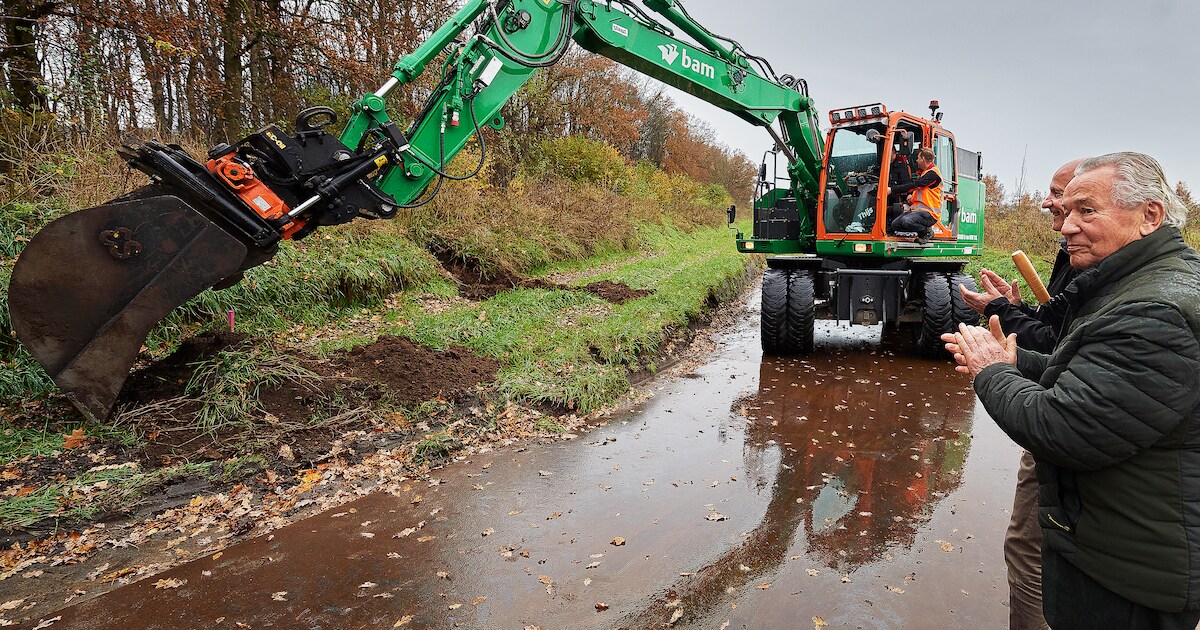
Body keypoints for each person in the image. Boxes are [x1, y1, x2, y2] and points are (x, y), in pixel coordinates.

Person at [944, 152, 1200, 629]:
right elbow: (1092, 373)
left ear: (1150, 216)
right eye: (1066, 210)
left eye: (1086, 210)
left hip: (1126, 570)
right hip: (1120, 542)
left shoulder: (1153, 311)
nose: (1065, 225)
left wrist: (990, 370)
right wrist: (1018, 359)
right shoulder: (1137, 282)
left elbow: (1066, 427)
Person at [955, 158, 1084, 630]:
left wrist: (1000, 344)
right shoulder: (1077, 253)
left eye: (1058, 193)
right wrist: (1012, 306)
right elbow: (1058, 327)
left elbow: (1057, 343)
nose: (1047, 202)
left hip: (1064, 422)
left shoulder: (1089, 258)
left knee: (1029, 549)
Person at [887, 147, 941, 239]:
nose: (916, 160)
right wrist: (911, 199)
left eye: (918, 158)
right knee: (895, 225)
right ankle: (918, 233)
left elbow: (915, 185)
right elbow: (921, 192)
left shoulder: (932, 174)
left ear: (923, 160)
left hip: (929, 214)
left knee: (906, 221)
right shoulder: (925, 173)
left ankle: (926, 232)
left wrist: (892, 190)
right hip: (918, 211)